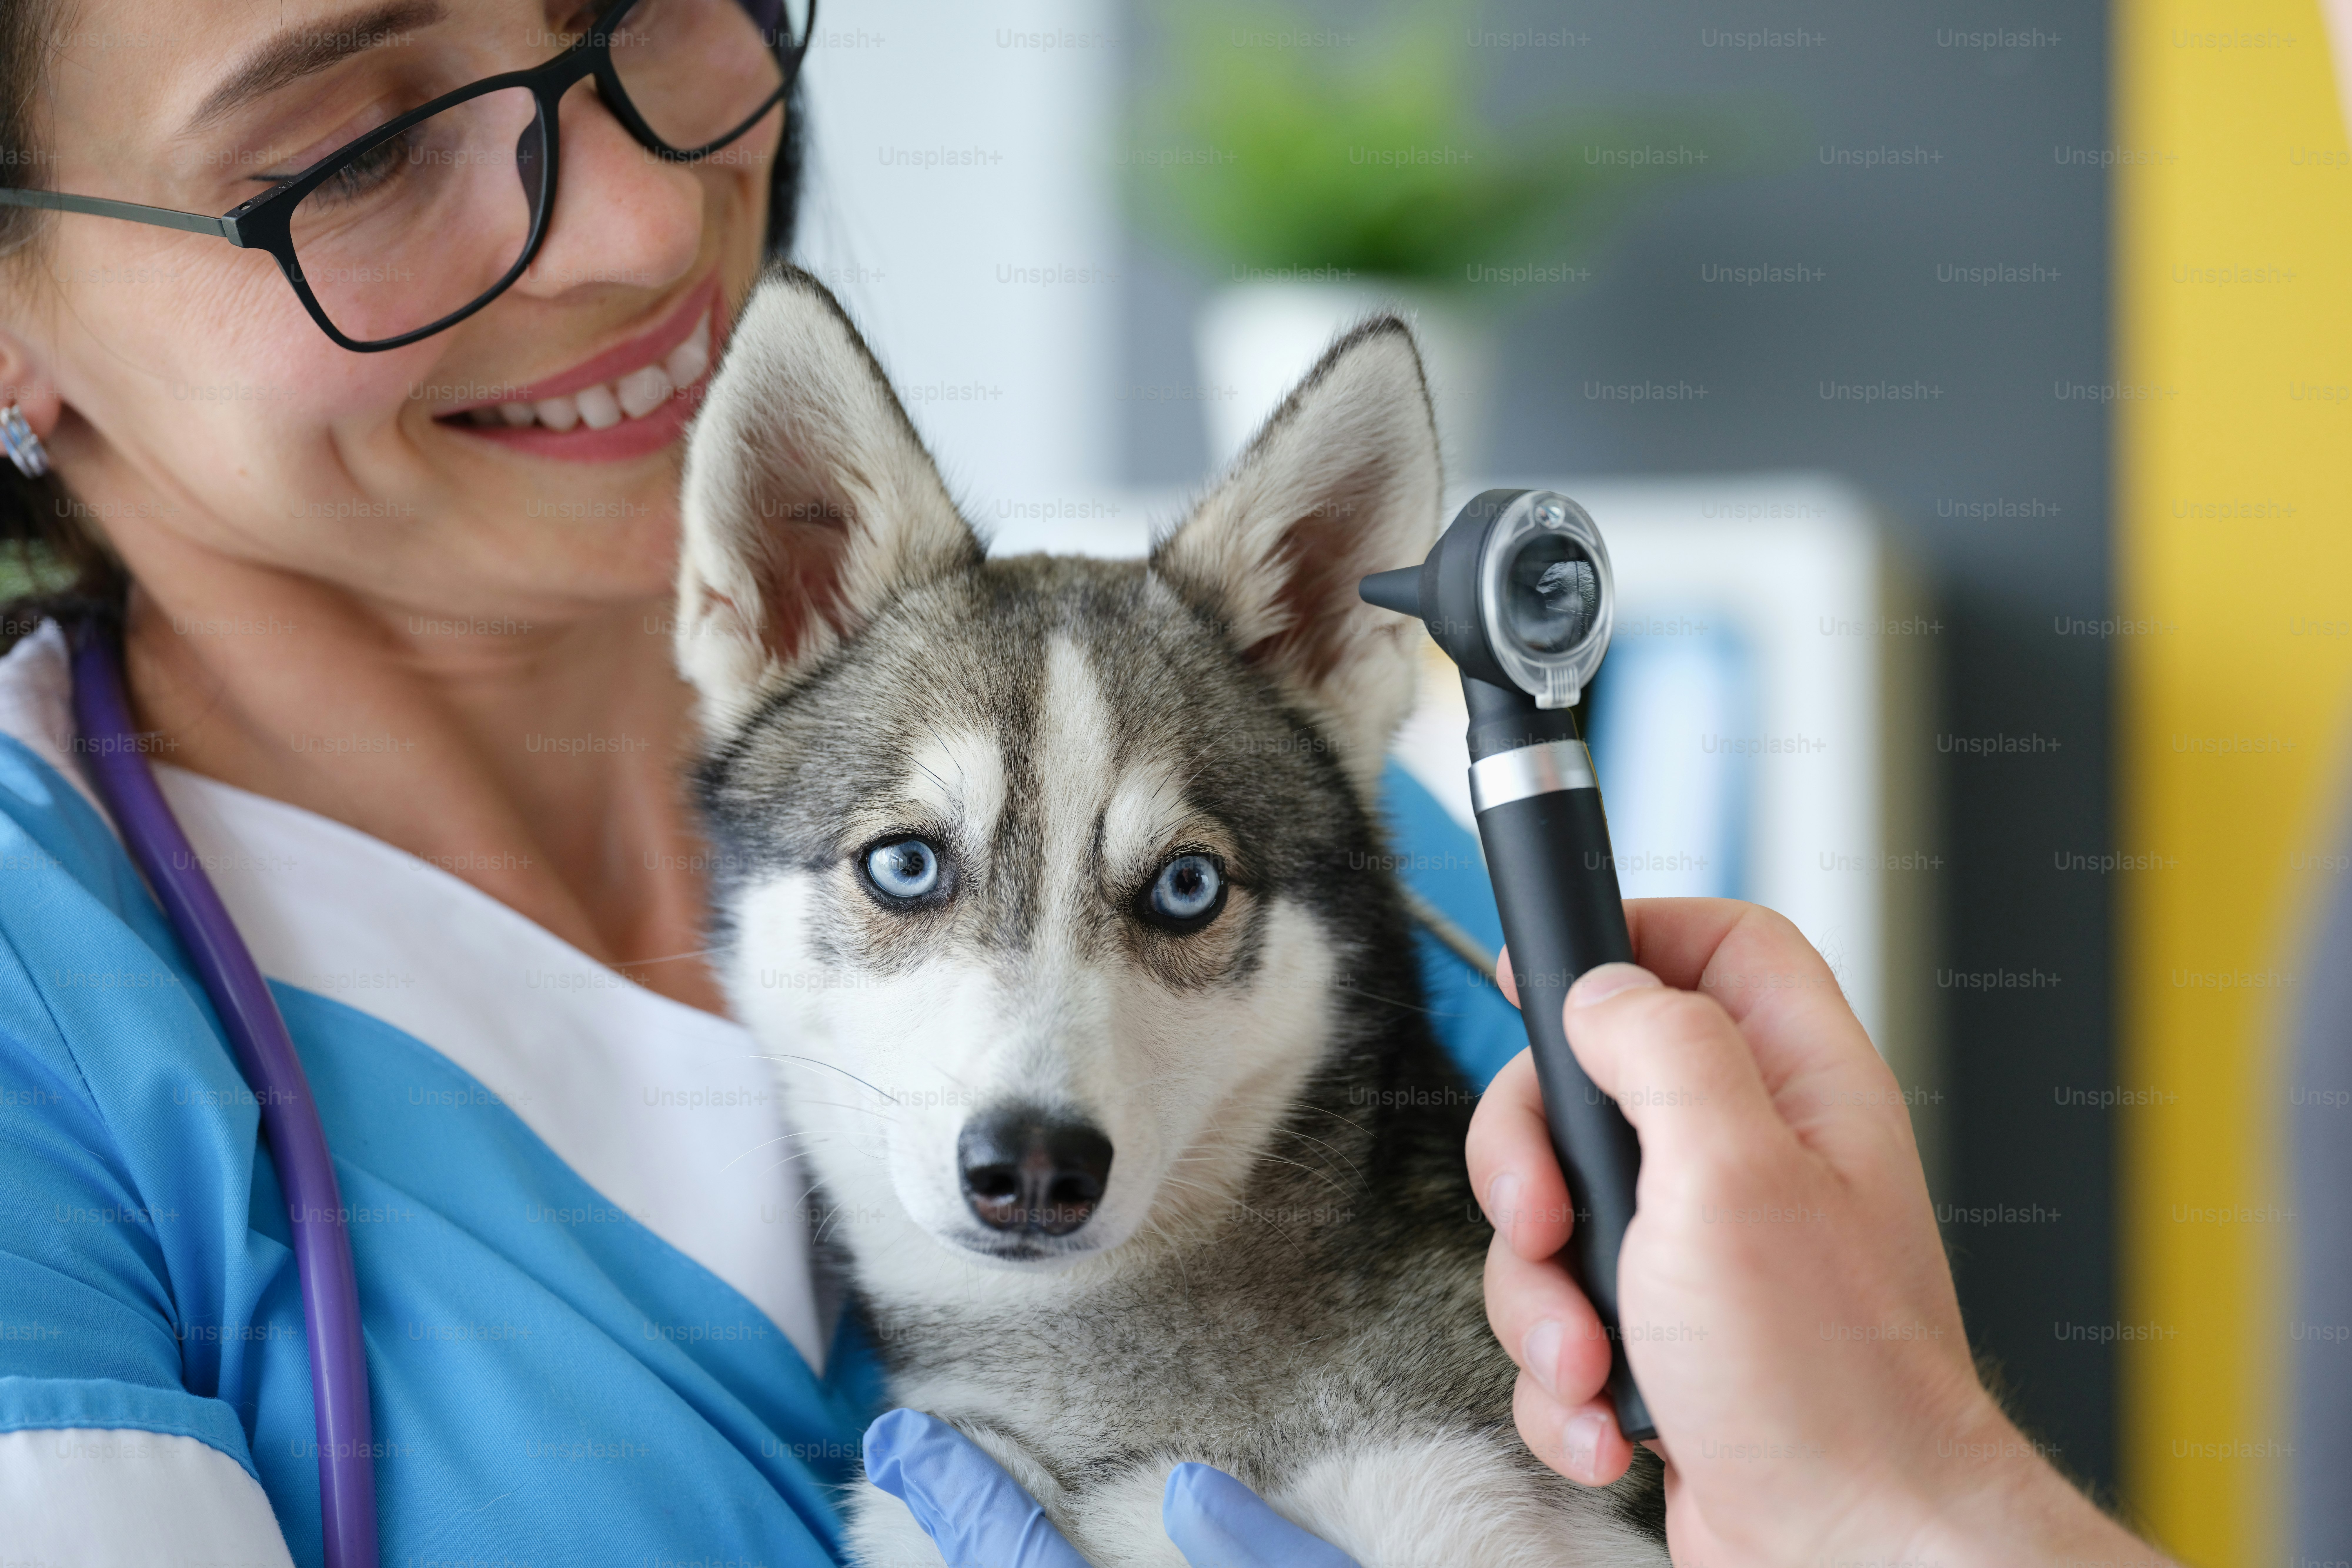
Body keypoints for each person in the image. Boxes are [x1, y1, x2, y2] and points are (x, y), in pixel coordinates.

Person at [0, 8, 2184, 1568]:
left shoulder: (1324, 876)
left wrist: (1921, 1495)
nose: (638, 224)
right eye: (354, 149)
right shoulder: (46, 1009)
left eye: (642, 7)